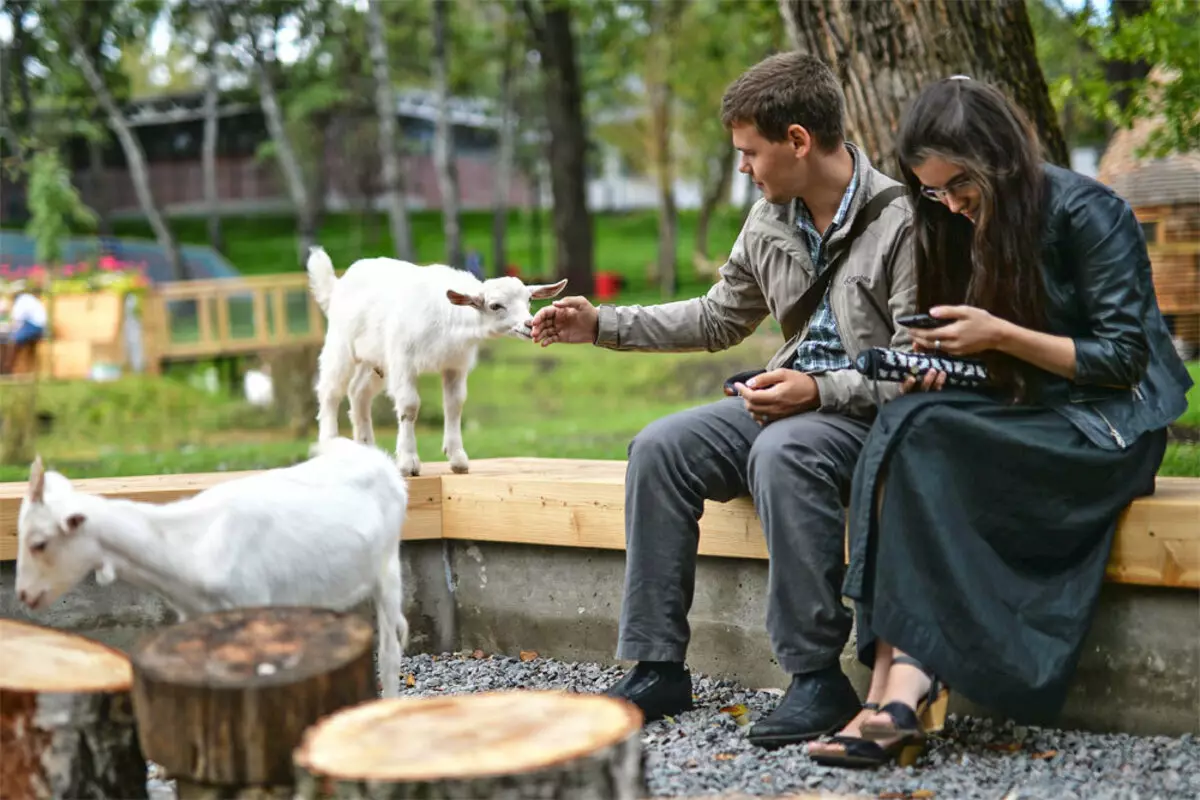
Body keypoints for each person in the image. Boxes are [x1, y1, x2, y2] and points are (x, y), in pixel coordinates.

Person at [529, 51, 918, 748]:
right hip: (788, 401)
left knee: (783, 450)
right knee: (660, 447)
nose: (744, 168)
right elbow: (717, 318)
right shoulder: (770, 218)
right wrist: (600, 325)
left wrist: (817, 389)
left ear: (797, 140)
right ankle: (657, 667)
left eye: (750, 152)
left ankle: (816, 678)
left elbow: (916, 367)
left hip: (866, 418)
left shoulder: (903, 221)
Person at [806, 76, 1194, 769]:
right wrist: (946, 365)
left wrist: (1000, 336)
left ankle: (900, 685)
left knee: (918, 433)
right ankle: (897, 677)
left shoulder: (1087, 210)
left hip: (1110, 430)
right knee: (908, 420)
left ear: (1001, 159)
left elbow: (1124, 361)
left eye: (961, 186)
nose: (951, 204)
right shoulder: (953, 221)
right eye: (933, 191)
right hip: (1035, 413)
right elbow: (1003, 373)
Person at [1, 282, 47, 374]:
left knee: (13, 342)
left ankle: (7, 369)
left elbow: (16, 321)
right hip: (39, 327)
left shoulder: (21, 301)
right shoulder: (29, 299)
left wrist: (9, 330)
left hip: (33, 326)